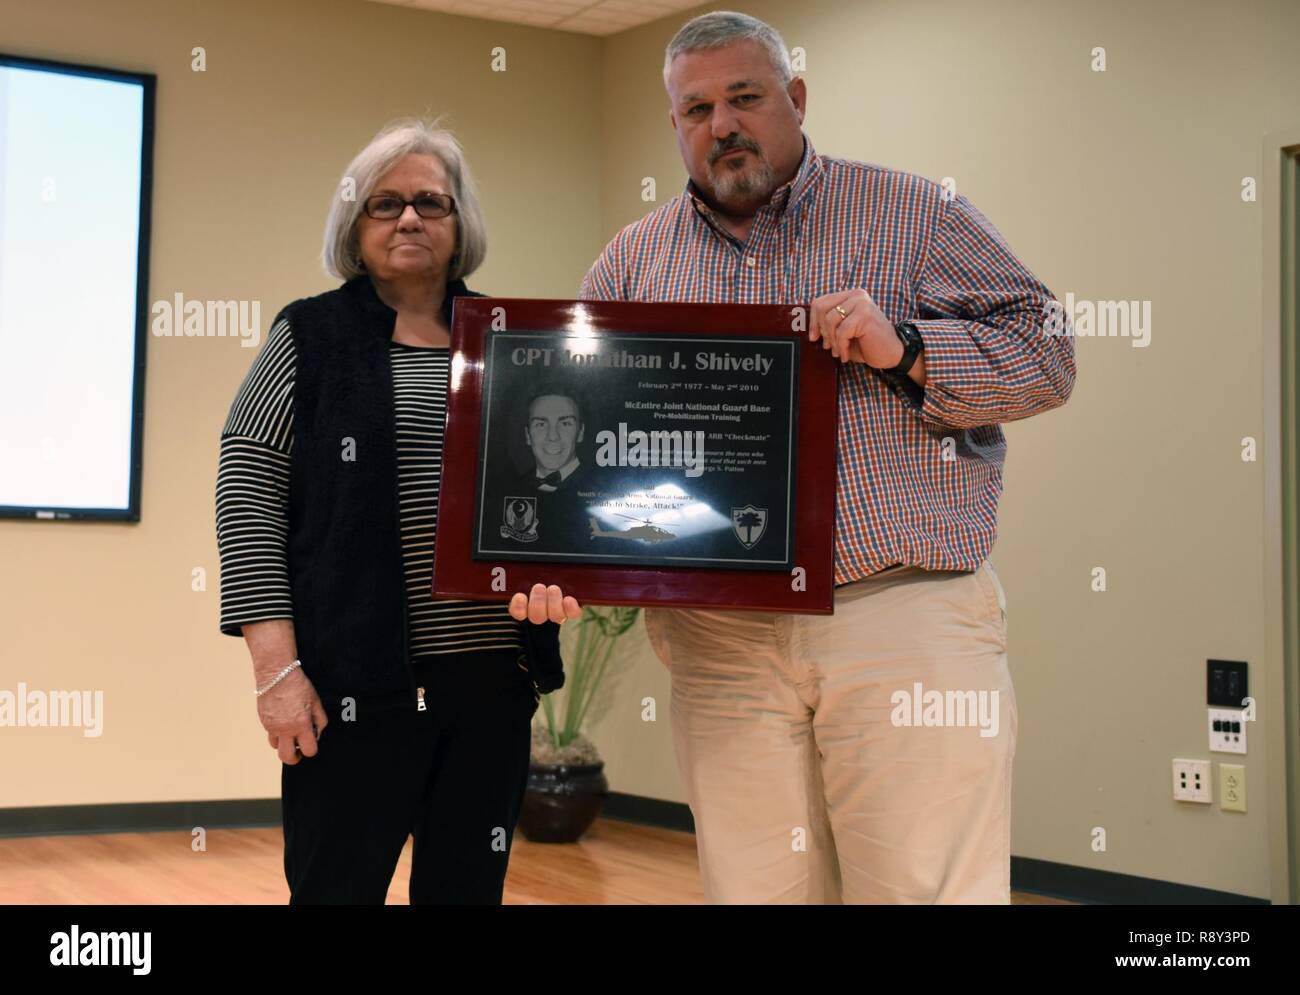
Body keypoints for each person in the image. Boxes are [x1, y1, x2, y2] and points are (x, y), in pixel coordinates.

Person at [580, 11, 1076, 904]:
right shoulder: (630, 263)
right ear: (676, 126)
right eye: (697, 109)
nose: (722, 124)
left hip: (901, 614)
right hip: (721, 636)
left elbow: (1049, 352)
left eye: (745, 97)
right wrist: (564, 556)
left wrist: (911, 347)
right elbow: (592, 449)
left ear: (795, 99)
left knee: (925, 892)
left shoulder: (917, 213)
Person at [216, 118, 578, 906]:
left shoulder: (515, 339)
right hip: (352, 689)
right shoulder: (309, 336)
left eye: (430, 202)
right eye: (384, 204)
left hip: (490, 688)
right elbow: (247, 486)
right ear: (355, 224)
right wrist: (275, 669)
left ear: (460, 225)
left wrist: (564, 572)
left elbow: (560, 490)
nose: (409, 218)